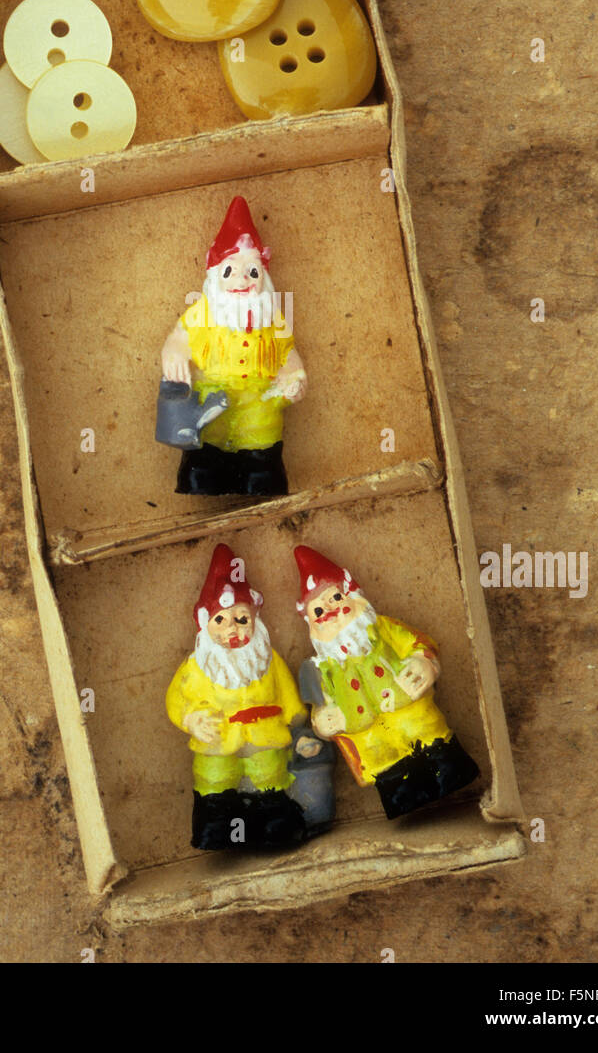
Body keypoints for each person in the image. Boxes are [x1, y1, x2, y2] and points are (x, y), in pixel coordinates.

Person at [293, 544, 479, 819]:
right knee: (402, 792)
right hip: (376, 749)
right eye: (318, 610)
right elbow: (320, 706)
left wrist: (423, 662)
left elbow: (418, 643)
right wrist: (322, 721)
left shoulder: (382, 627)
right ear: (311, 623)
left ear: (352, 596)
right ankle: (409, 805)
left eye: (335, 597)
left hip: (421, 724)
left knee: (447, 767)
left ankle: (453, 776)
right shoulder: (321, 667)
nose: (330, 611)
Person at [166, 543, 317, 850]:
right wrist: (190, 720)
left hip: (266, 739)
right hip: (217, 743)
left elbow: (289, 696)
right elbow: (175, 699)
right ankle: (218, 827)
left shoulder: (267, 659)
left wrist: (297, 722)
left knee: (269, 778)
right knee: (216, 780)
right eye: (220, 620)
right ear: (205, 625)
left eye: (241, 618)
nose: (231, 628)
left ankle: (273, 826)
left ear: (254, 620)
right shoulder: (195, 668)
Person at [160, 195, 306, 495]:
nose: (242, 278)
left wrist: (295, 378)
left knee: (262, 470)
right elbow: (179, 338)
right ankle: (204, 476)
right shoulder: (203, 313)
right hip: (211, 410)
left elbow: (288, 354)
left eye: (252, 271)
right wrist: (173, 351)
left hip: (260, 411)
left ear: (263, 277)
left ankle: (259, 475)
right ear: (216, 277)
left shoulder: (273, 320)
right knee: (204, 466)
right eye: (230, 270)